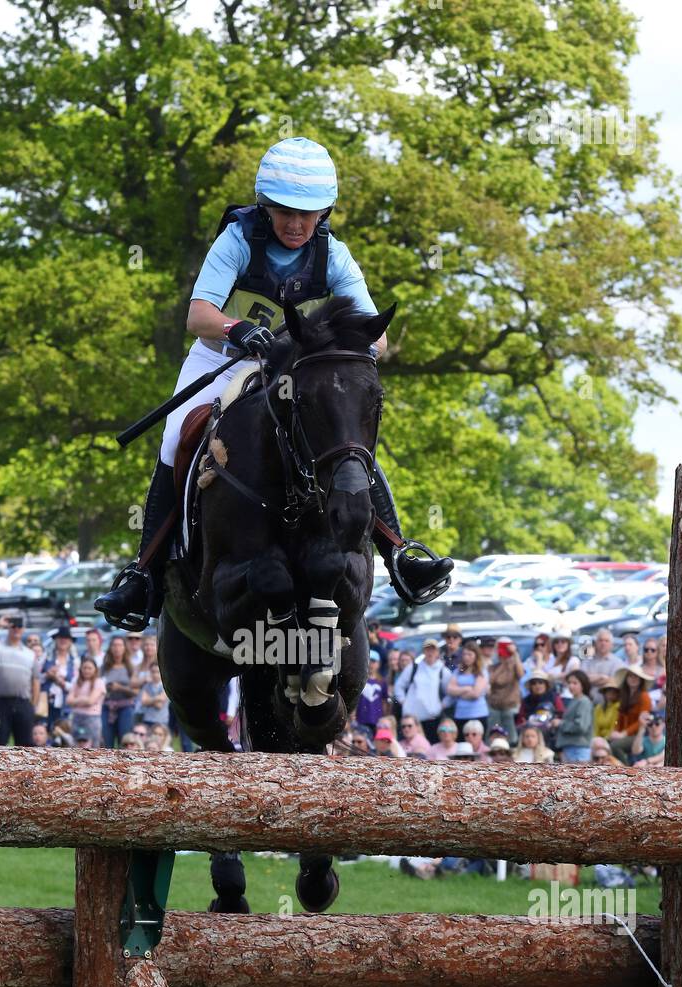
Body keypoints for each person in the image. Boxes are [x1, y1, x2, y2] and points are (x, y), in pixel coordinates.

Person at [95, 136, 452, 631]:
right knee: (177, 433)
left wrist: (328, 342)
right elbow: (198, 315)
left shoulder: (334, 255)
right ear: (266, 206)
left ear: (324, 212)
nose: (295, 224)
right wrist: (236, 329)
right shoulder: (238, 240)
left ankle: (399, 554)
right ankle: (144, 575)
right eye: (285, 211)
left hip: (295, 367)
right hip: (223, 357)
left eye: (307, 214)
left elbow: (379, 337)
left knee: (344, 439)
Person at [0, 615, 40, 747]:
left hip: (23, 702)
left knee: (25, 745)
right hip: (1, 702)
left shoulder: (29, 653)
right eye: (13, 626)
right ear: (8, 628)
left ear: (23, 629)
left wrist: (32, 706)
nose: (16, 629)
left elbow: (35, 681)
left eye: (19, 626)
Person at [394, 638, 446, 742]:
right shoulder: (414, 667)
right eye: (427, 649)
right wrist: (403, 701)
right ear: (424, 651)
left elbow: (450, 692)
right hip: (413, 719)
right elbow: (399, 686)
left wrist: (442, 705)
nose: (430, 652)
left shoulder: (443, 670)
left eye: (433, 649)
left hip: (432, 719)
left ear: (437, 652)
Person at [101, 635, 140, 748]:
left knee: (125, 740)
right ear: (110, 648)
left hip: (126, 707)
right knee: (107, 741)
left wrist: (120, 688)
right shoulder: (104, 668)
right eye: (114, 645)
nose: (117, 648)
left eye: (119, 645)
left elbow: (135, 692)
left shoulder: (131, 668)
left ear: (124, 648)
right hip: (108, 707)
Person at [608, 665, 653, 759]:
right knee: (606, 743)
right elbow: (619, 719)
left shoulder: (644, 697)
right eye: (630, 676)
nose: (633, 679)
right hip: (624, 734)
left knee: (615, 746)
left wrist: (624, 734)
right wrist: (615, 731)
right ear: (626, 678)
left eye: (636, 676)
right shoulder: (624, 696)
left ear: (640, 679)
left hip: (639, 735)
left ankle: (625, 769)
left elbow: (642, 722)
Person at [446, 642, 489, 737]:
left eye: (469, 654)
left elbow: (475, 693)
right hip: (460, 714)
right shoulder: (459, 671)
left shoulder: (481, 671)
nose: (466, 657)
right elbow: (449, 689)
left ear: (476, 656)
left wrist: (457, 692)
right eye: (465, 654)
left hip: (477, 714)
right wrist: (466, 688)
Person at [487, 637, 524, 745]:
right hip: (495, 707)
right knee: (493, 736)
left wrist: (514, 654)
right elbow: (491, 680)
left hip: (510, 707)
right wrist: (503, 663)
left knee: (511, 738)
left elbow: (521, 674)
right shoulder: (493, 667)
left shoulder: (515, 666)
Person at [552, 669, 594, 762]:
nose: (571, 686)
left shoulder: (584, 701)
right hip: (570, 747)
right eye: (569, 683)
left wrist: (560, 724)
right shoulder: (574, 700)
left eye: (575, 683)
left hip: (578, 749)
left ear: (583, 684)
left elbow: (581, 726)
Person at [42, 627, 79, 730]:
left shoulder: (75, 662)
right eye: (60, 638)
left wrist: (59, 681)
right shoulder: (46, 657)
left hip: (65, 705)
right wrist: (47, 675)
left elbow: (76, 686)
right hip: (46, 703)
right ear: (56, 640)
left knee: (63, 734)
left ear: (70, 642)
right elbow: (37, 678)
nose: (63, 641)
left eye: (66, 638)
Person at [67, 656, 107, 747]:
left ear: (95, 670)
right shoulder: (77, 682)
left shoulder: (99, 682)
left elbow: (90, 701)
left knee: (93, 744)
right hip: (77, 717)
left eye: (89, 668)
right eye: (84, 668)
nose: (86, 670)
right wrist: (83, 699)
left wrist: (76, 700)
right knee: (75, 744)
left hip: (92, 718)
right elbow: (68, 700)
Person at [581, 629, 620, 704]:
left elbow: (613, 682)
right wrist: (602, 677)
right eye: (600, 640)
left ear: (612, 645)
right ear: (595, 643)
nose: (603, 643)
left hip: (607, 707)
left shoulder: (618, 663)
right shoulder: (586, 661)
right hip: (587, 704)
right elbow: (582, 680)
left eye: (606, 641)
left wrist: (590, 680)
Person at [593, 675, 623, 740]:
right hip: (598, 739)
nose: (610, 694)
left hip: (611, 739)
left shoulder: (618, 707)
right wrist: (596, 739)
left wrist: (606, 739)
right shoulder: (599, 708)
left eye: (613, 692)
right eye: (608, 691)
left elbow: (614, 725)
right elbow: (595, 726)